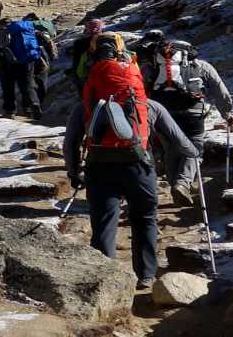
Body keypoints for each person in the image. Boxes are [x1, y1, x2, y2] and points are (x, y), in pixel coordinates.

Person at [64, 33, 199, 289]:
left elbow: (70, 142)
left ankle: (105, 279)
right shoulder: (147, 105)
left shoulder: (86, 107)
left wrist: (73, 172)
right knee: (145, 219)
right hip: (139, 166)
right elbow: (180, 143)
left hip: (99, 166)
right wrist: (194, 155)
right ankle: (146, 275)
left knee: (104, 220)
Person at [133, 34, 233, 206]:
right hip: (192, 114)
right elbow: (220, 90)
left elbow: (139, 88)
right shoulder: (201, 66)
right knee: (194, 150)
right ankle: (182, 184)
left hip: (162, 114)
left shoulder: (152, 67)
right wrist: (227, 113)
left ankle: (177, 186)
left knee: (171, 150)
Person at [0, 17, 46, 117]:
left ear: (1, 25)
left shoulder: (2, 33)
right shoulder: (24, 30)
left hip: (8, 64)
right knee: (27, 85)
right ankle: (33, 105)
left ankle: (10, 111)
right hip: (27, 61)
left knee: (8, 87)